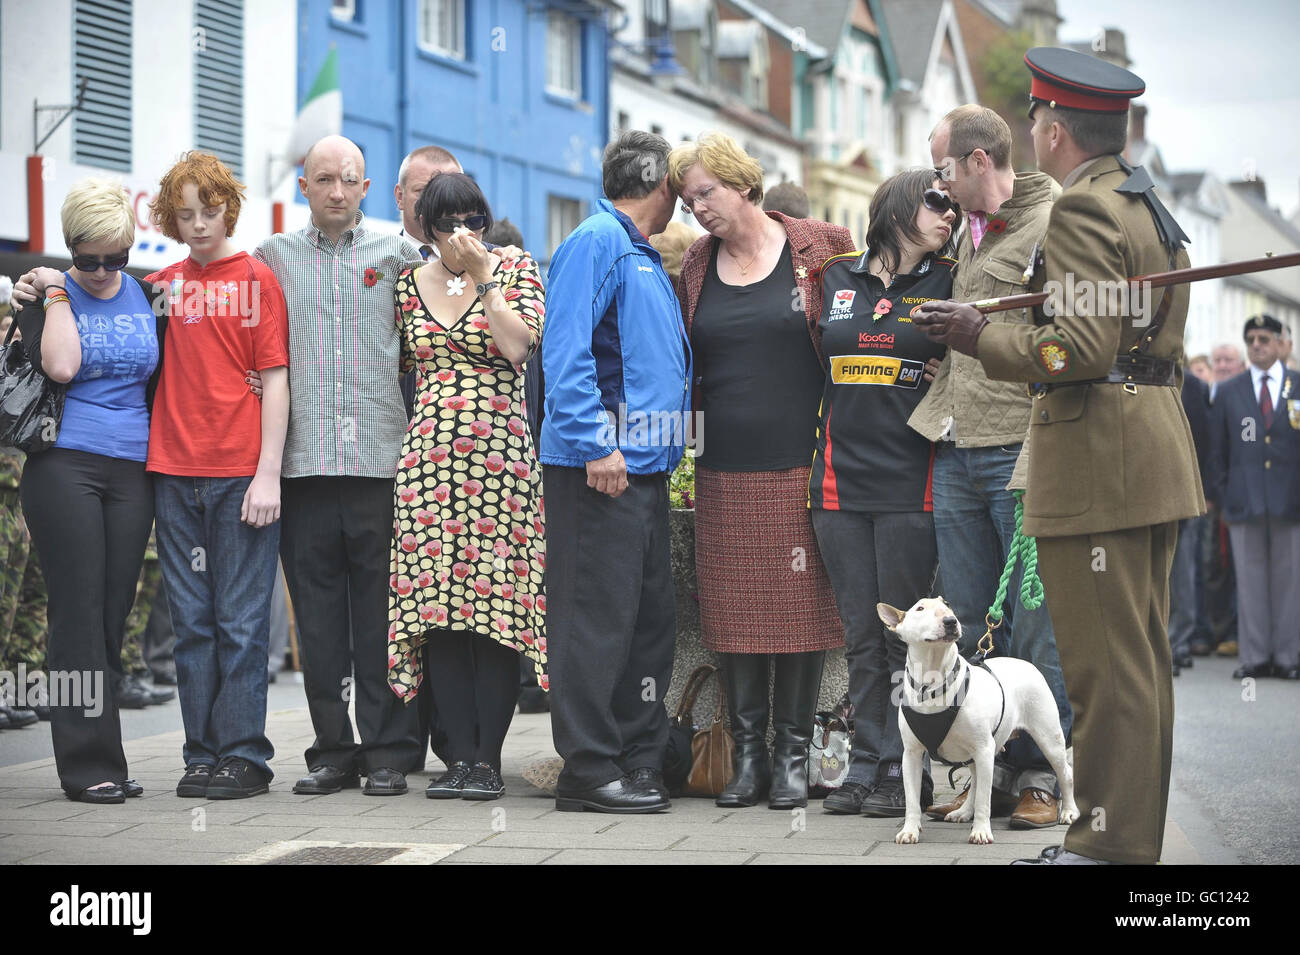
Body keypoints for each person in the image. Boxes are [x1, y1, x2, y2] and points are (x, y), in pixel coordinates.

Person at [915, 48, 1203, 865]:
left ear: (1052, 130)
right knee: (1139, 666)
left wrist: (981, 337)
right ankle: (1130, 838)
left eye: (1037, 121)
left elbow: (1072, 350)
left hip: (1097, 456)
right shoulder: (1144, 203)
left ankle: (1106, 846)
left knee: (1105, 671)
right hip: (1151, 446)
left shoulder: (1081, 210)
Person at [670, 132, 851, 810]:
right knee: (733, 611)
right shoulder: (694, 263)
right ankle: (747, 758)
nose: (698, 210)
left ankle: (793, 756)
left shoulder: (820, 246)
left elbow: (857, 333)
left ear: (741, 182)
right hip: (722, 467)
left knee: (802, 612)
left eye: (706, 194)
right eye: (689, 201)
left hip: (802, 462)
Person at [911, 104, 1073, 829]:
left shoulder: (1054, 221)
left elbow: (1064, 337)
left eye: (944, 170)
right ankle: (993, 777)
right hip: (958, 445)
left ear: (980, 162)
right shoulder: (971, 231)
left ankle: (1042, 776)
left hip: (1020, 447)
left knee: (1035, 630)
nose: (936, 187)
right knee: (968, 622)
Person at [256, 135, 424, 796]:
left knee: (382, 616)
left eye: (346, 179)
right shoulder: (272, 259)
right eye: (322, 178)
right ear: (302, 184)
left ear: (366, 187)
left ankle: (387, 747)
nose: (334, 190)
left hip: (380, 464)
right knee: (318, 620)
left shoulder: (400, 256)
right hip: (303, 466)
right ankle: (332, 747)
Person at [541, 130, 691, 813]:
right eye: (680, 183)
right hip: (600, 467)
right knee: (594, 620)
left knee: (645, 622)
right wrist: (597, 443)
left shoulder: (639, 253)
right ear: (660, 182)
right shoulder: (596, 241)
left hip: (644, 467)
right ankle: (587, 768)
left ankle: (637, 756)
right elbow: (563, 348)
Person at [385, 172, 546, 800]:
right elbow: (396, 368)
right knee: (442, 614)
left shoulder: (517, 269)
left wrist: (484, 281)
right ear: (426, 228)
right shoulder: (407, 285)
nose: (463, 235)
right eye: (449, 224)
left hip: (499, 467)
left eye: (473, 221)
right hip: (427, 465)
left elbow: (516, 348)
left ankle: (488, 759)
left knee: (495, 615)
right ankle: (458, 761)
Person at [807, 169, 956, 817]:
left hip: (911, 483)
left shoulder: (951, 279)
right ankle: (865, 762)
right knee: (861, 635)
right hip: (837, 481)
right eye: (936, 202)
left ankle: (906, 771)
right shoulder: (836, 276)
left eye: (954, 206)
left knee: (904, 637)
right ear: (898, 208)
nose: (948, 215)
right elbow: (818, 363)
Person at [13, 178, 166, 801]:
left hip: (132, 470)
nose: (103, 271)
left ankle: (109, 755)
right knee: (77, 613)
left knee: (111, 611)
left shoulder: (148, 295)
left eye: (116, 257)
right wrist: (54, 292)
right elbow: (63, 368)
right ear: (70, 247)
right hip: (64, 465)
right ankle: (85, 765)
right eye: (88, 258)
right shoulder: (46, 293)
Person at [145, 151, 290, 799]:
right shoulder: (163, 286)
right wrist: (52, 282)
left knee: (239, 622)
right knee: (191, 624)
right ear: (169, 218)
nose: (199, 223)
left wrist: (268, 475)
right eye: (184, 213)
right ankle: (200, 754)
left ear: (228, 207)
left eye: (209, 209)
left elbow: (278, 382)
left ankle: (245, 757)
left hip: (239, 475)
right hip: (172, 472)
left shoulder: (257, 280)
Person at [1206, 315, 1300, 680]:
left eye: (1264, 338)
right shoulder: (1230, 390)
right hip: (1244, 500)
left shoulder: (1297, 385)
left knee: (1290, 581)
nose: (1257, 344)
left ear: (1280, 343)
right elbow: (1217, 450)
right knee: (1250, 581)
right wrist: (1222, 493)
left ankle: (1288, 657)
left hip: (1290, 500)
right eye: (1251, 340)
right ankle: (1256, 657)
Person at [1168, 367, 1212, 676]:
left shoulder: (1194, 386)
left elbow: (1205, 441)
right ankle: (1163, 646)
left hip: (1184, 490)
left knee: (1184, 575)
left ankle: (1179, 644)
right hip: (1152, 490)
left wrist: (1204, 491)